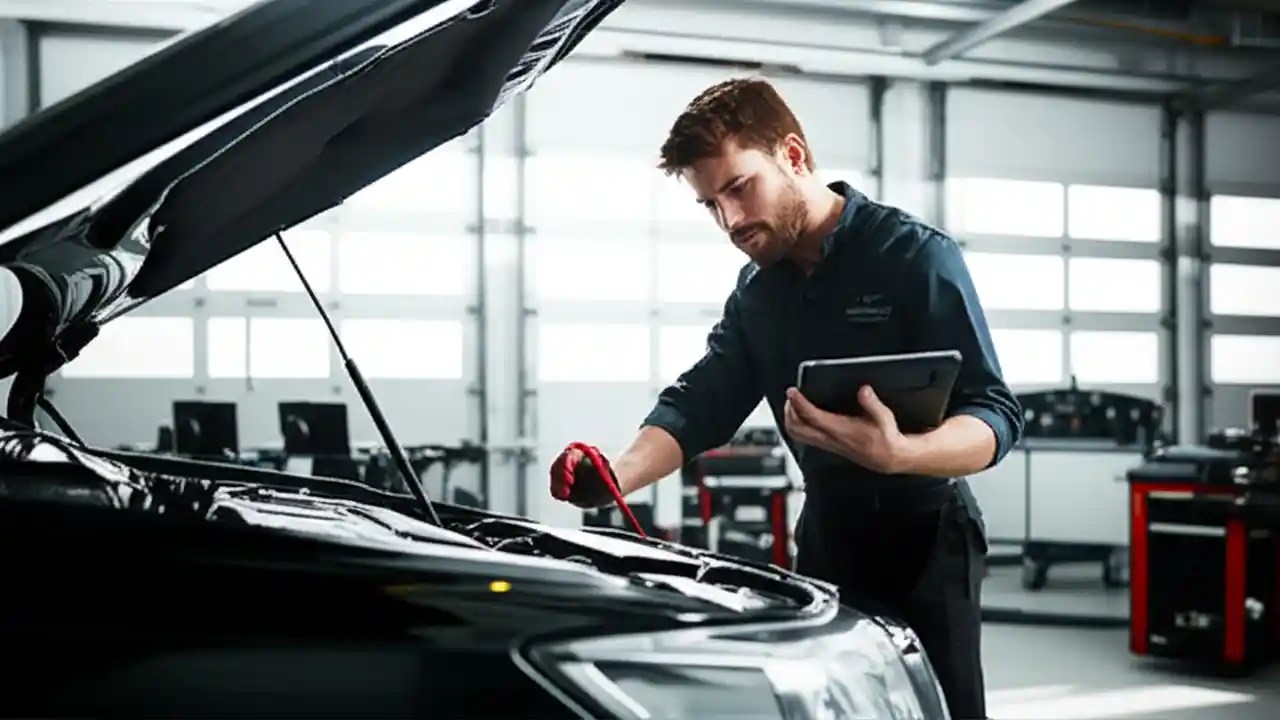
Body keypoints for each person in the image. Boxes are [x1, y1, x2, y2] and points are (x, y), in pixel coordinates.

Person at [548, 76, 1023, 720]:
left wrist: (901, 453)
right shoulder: (756, 294)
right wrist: (616, 476)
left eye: (740, 187)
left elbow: (995, 414)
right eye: (711, 204)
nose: (731, 221)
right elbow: (702, 401)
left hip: (929, 539)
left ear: (792, 156)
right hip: (828, 535)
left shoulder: (913, 257)